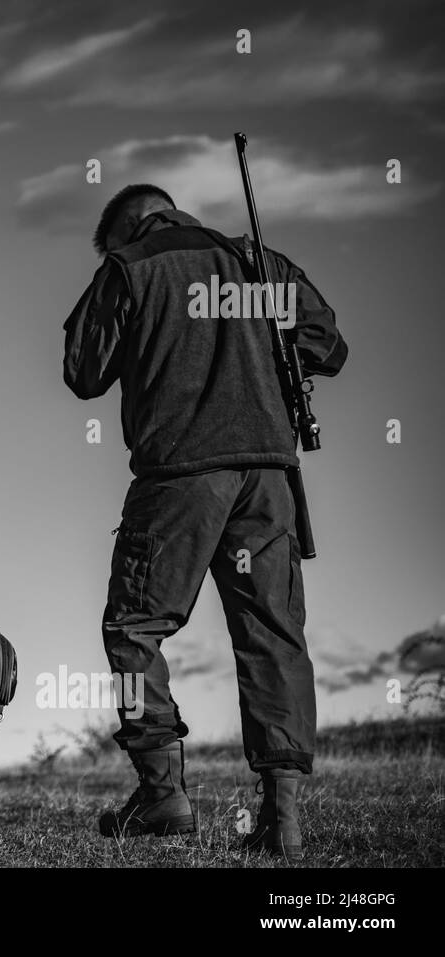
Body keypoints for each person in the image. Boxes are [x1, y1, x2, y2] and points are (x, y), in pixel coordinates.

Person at [63, 184, 347, 860]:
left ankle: (163, 792)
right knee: (272, 634)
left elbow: (82, 371)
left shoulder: (130, 266)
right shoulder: (259, 264)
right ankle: (283, 817)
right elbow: (329, 345)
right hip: (270, 479)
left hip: (180, 476)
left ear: (127, 226)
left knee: (134, 626)